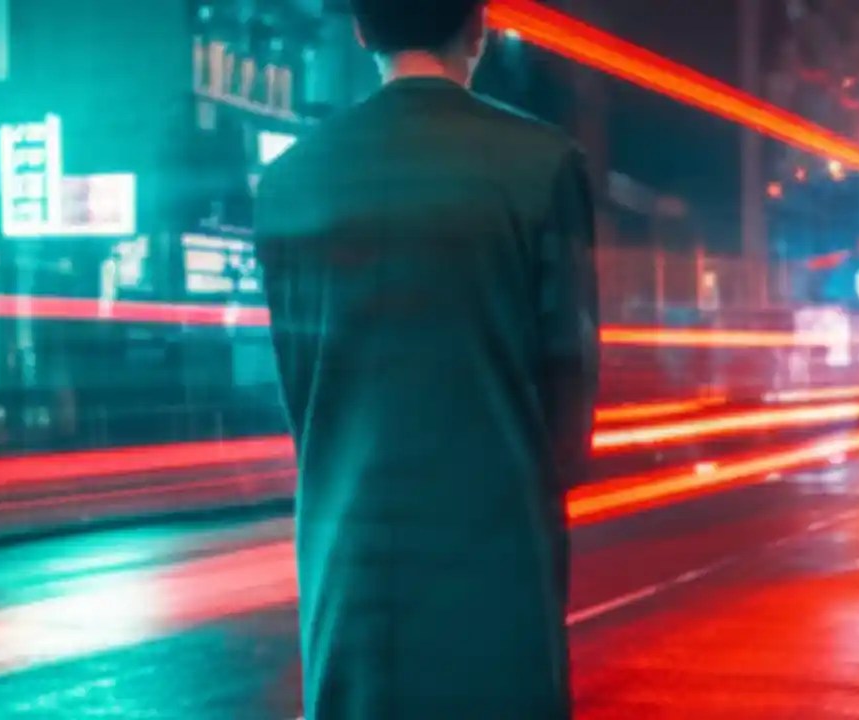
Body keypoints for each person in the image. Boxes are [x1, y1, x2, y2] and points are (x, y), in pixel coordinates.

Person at [254, 1, 600, 717]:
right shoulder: (544, 166)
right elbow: (569, 395)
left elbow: (298, 391)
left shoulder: (288, 181)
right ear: (477, 29)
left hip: (348, 558)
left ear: (359, 31)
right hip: (498, 554)